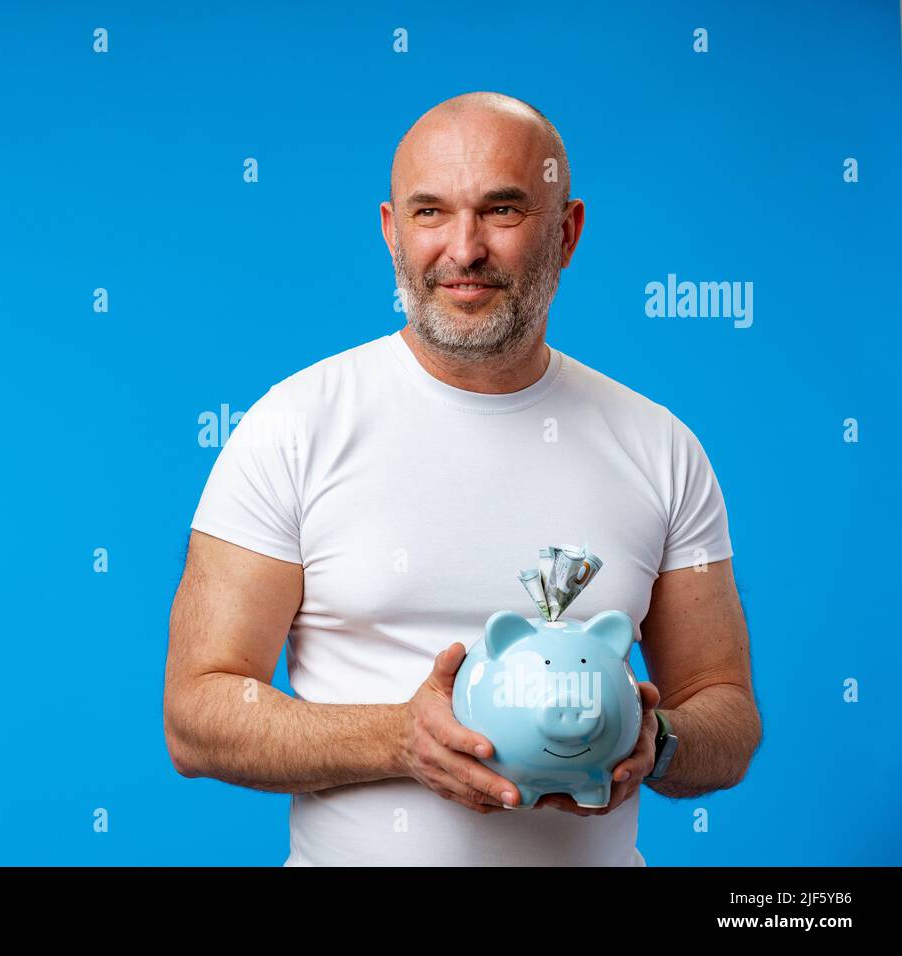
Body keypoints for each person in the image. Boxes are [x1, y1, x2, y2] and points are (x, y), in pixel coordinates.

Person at [163, 91, 761, 866]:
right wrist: (401, 739)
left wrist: (660, 741)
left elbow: (728, 714)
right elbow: (197, 712)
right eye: (430, 213)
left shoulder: (660, 446)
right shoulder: (292, 427)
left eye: (503, 211)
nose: (464, 249)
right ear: (391, 232)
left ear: (568, 231)